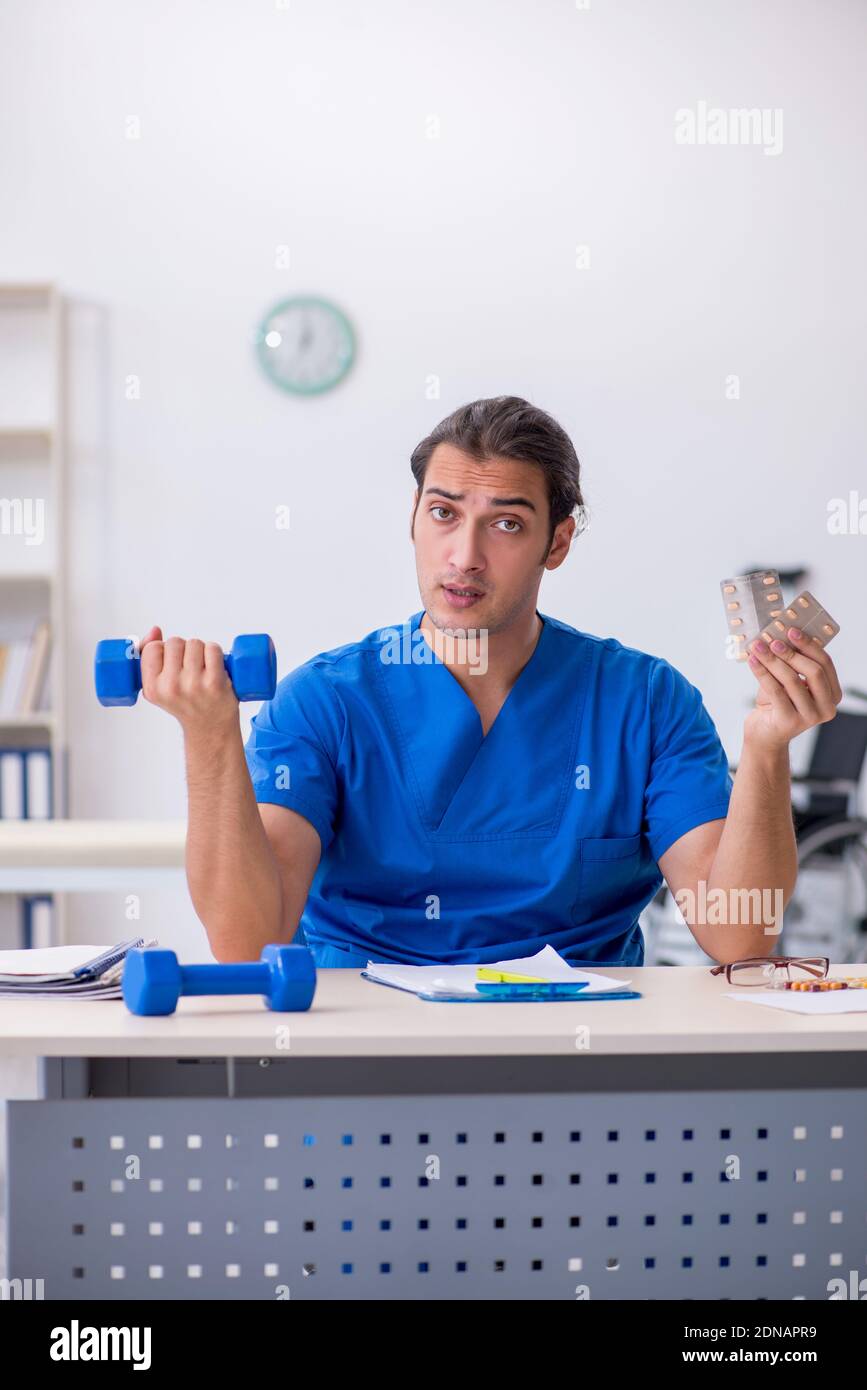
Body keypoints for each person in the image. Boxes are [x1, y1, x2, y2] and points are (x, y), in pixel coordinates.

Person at [137, 397, 842, 967]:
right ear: (413, 519)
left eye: (505, 523)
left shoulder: (645, 703)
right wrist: (209, 737)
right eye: (443, 514)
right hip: (363, 1041)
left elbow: (738, 939)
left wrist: (766, 746)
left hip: (581, 1049)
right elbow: (244, 941)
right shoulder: (325, 703)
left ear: (556, 543)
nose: (463, 556)